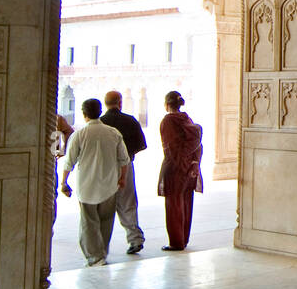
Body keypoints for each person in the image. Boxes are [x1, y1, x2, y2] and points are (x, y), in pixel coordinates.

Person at [60, 98, 129, 266]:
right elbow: (124, 160)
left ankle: (94, 256)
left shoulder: (80, 134)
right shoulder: (113, 133)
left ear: (84, 115)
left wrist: (64, 182)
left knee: (88, 223)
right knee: (106, 221)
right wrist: (122, 178)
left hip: (87, 186)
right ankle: (102, 253)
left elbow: (69, 161)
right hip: (109, 185)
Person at [100, 90, 147, 254]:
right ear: (120, 102)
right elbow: (141, 144)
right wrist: (127, 155)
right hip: (125, 167)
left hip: (106, 169)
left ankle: (102, 246)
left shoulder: (101, 123)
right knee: (127, 203)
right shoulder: (130, 121)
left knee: (105, 206)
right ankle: (135, 239)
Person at [158, 91, 203, 251]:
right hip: (189, 167)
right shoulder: (186, 119)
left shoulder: (168, 121)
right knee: (185, 201)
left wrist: (177, 164)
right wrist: (192, 163)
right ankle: (183, 238)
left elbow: (170, 147)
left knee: (174, 204)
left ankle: (175, 242)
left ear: (166, 104)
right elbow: (196, 143)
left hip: (175, 167)